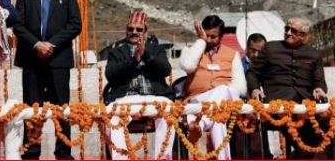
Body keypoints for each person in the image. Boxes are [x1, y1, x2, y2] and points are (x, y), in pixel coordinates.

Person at [13, 0, 82, 160]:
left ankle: (63, 153)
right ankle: (32, 152)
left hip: (58, 60)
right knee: (33, 109)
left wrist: (51, 44)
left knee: (62, 109)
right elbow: (17, 24)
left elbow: (75, 24)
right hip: (32, 61)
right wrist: (36, 44)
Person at [247, 16, 328, 159]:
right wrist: (255, 89)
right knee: (297, 126)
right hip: (277, 103)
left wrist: (319, 89)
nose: (288, 32)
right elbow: (252, 73)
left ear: (303, 35)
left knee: (323, 122)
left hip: (304, 104)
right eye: (287, 29)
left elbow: (319, 81)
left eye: (293, 30)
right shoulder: (271, 48)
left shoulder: (314, 54)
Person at [104, 9, 175, 160]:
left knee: (169, 112)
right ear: (126, 30)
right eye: (130, 29)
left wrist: (146, 55)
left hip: (154, 98)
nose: (134, 32)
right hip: (126, 99)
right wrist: (134, 60)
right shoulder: (116, 52)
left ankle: (163, 158)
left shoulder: (156, 49)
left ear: (146, 31)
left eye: (139, 29)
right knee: (111, 117)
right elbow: (111, 74)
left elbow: (165, 70)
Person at [179, 15, 247, 160]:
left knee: (223, 90)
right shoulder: (191, 50)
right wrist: (200, 42)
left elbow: (240, 88)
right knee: (218, 121)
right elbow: (188, 66)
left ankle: (201, 124)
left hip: (225, 101)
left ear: (221, 36)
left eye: (213, 37)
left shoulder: (232, 54)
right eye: (206, 36)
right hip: (197, 100)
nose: (209, 40)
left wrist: (218, 89)